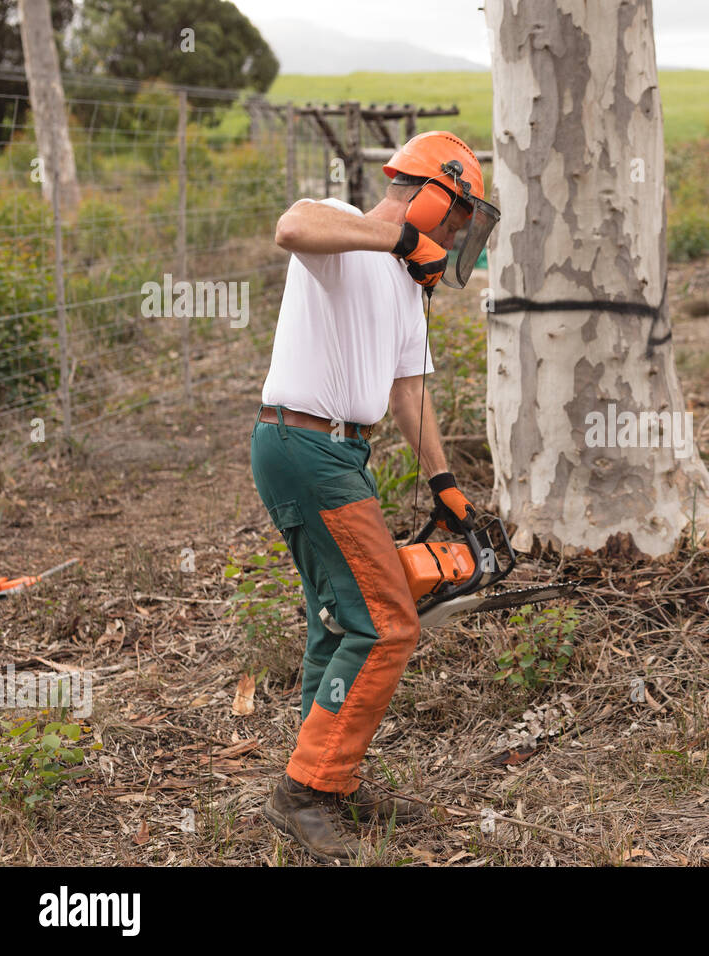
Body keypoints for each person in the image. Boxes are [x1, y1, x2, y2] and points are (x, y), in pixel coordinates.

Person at [249, 131, 498, 863]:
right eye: (458, 219)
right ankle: (302, 792)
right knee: (387, 620)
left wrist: (447, 488)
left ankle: (333, 778)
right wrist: (394, 237)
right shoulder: (338, 227)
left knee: (338, 617)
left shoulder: (407, 287)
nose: (458, 238)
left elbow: (408, 392)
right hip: (302, 444)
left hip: (340, 450)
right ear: (429, 193)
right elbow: (290, 227)